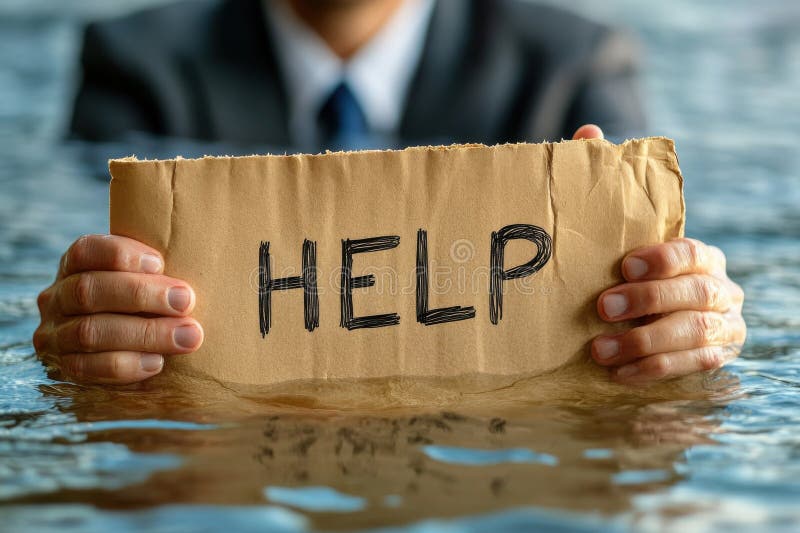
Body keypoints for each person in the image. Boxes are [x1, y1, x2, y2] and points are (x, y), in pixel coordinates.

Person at [34, 0, 745, 385]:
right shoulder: (134, 64)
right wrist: (85, 320)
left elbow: (654, 270)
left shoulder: (571, 65)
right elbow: (91, 261)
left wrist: (685, 306)